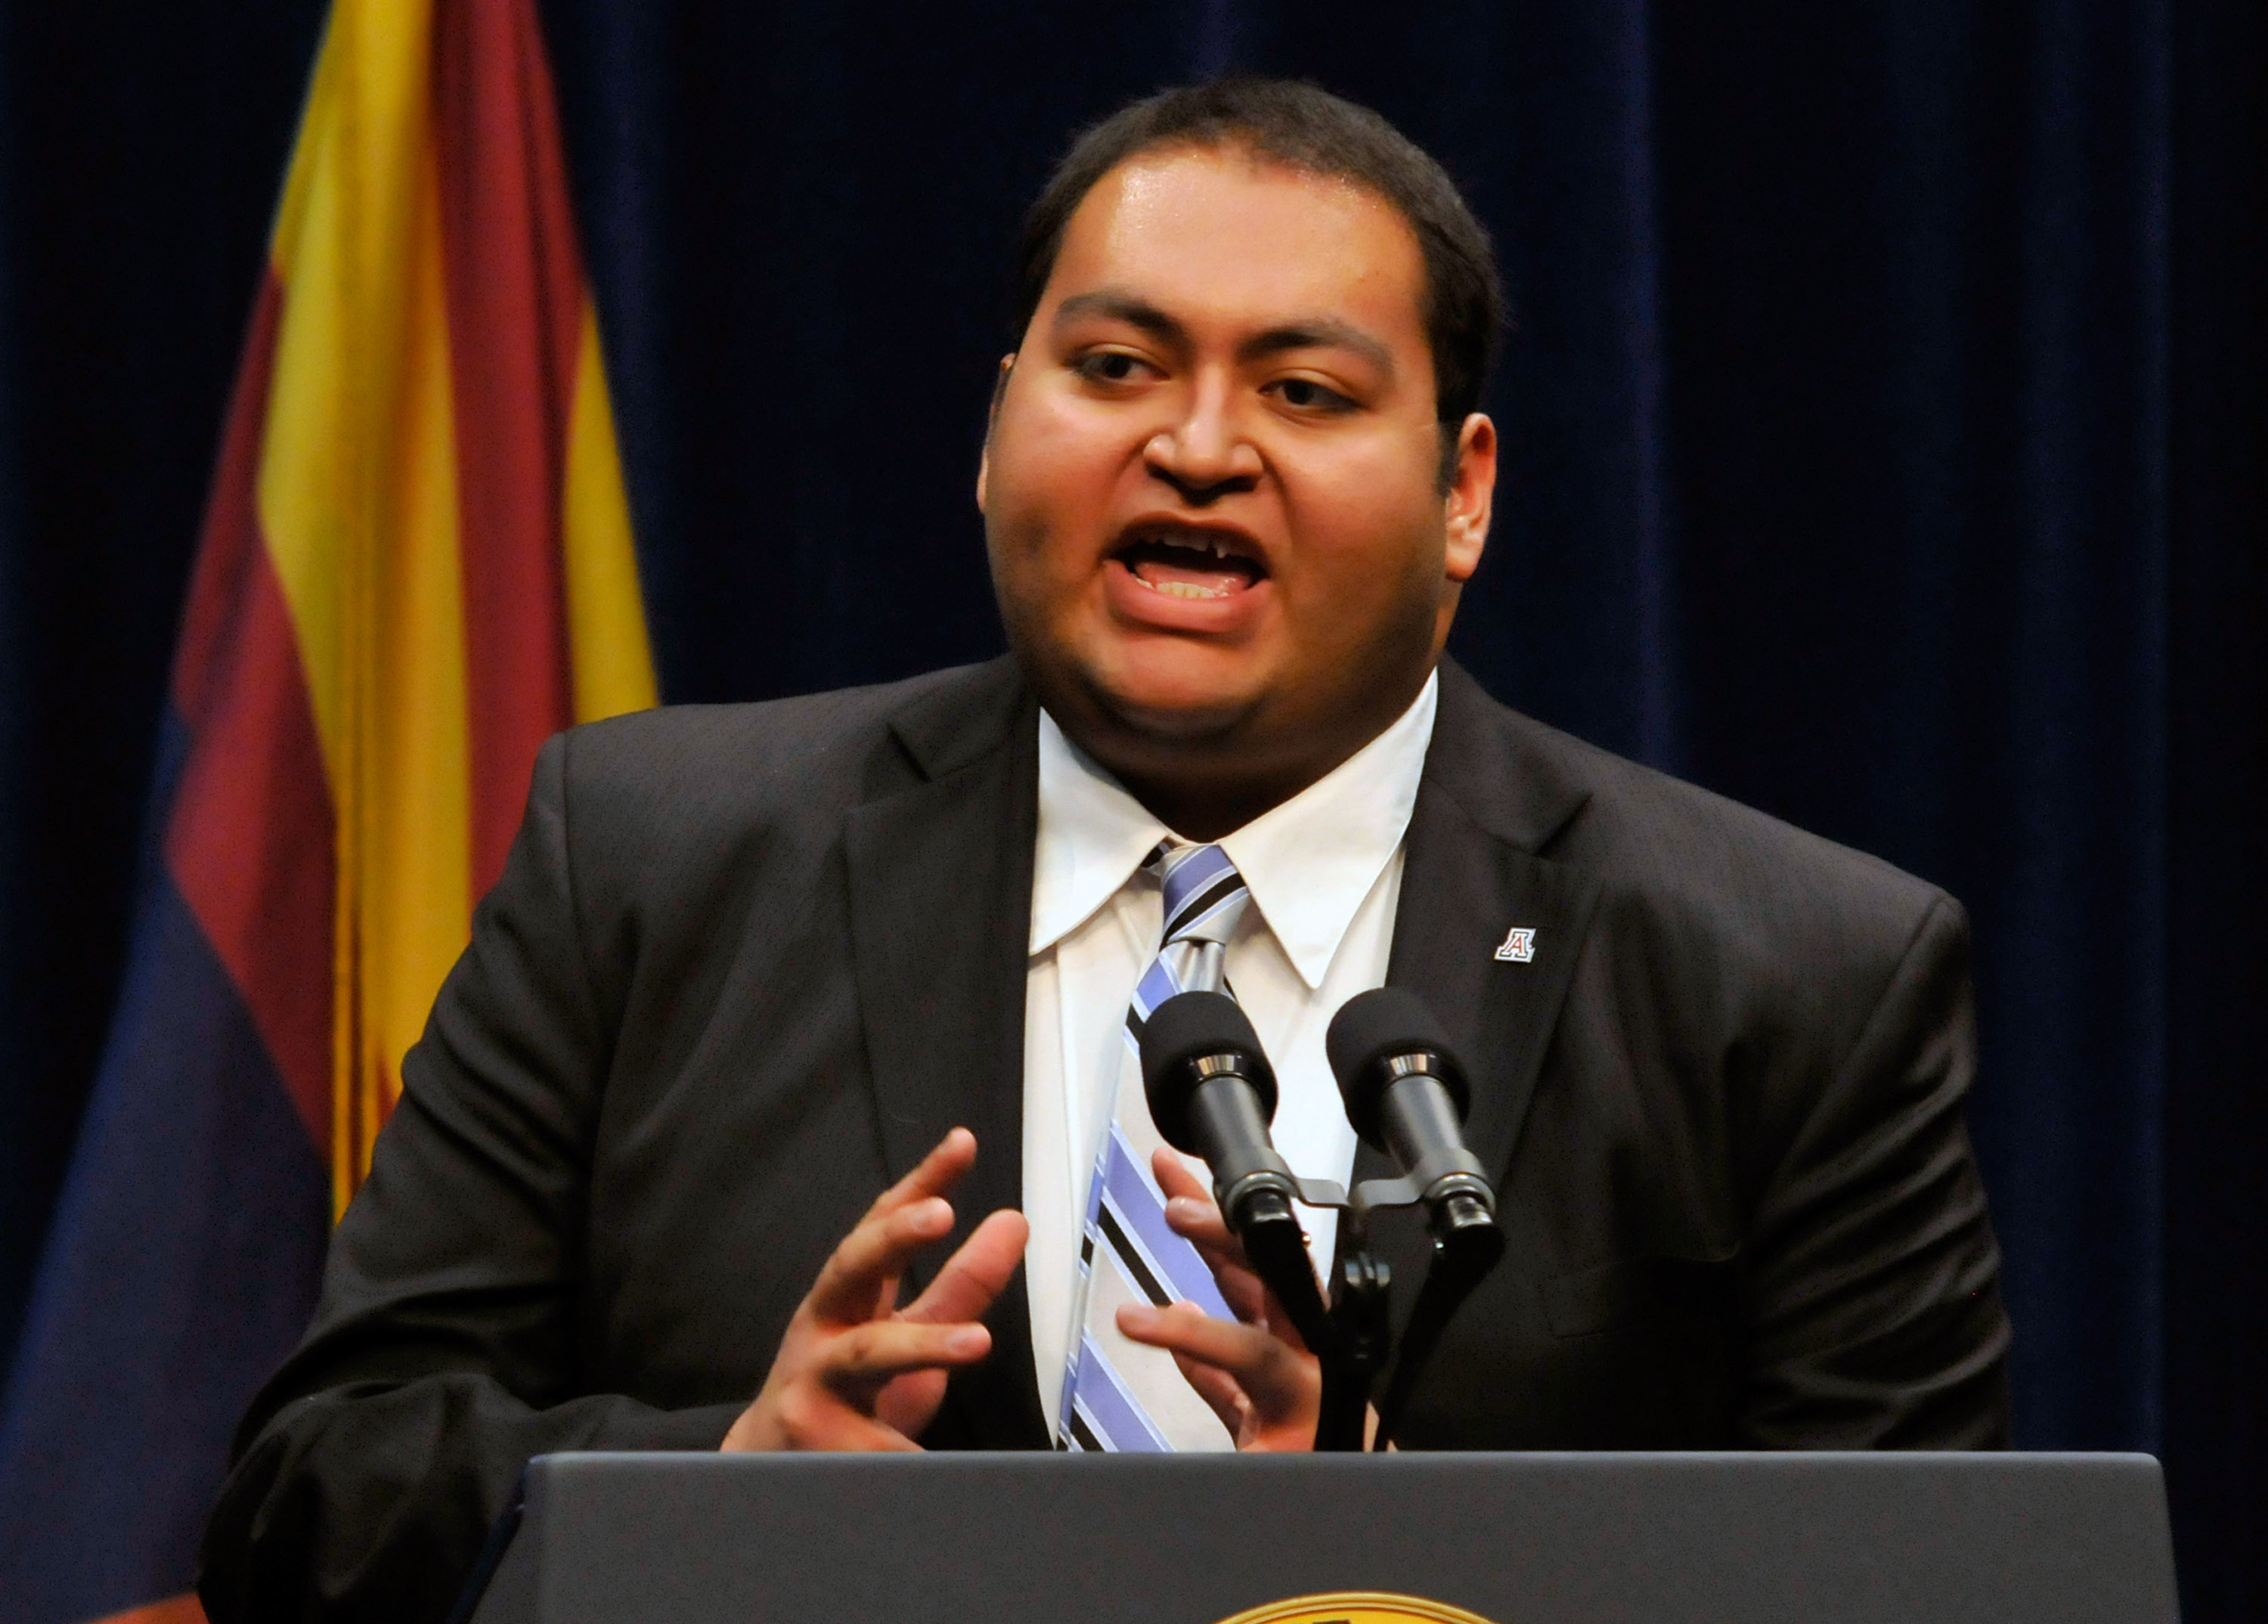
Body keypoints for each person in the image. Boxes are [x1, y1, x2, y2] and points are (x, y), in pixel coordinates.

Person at [199, 78, 2011, 1623]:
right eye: (1119, 363)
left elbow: (1925, 1596)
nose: (1198, 444)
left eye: (1304, 392)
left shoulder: (1793, 974)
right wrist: (727, 1488)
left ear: (1465, 494)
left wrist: (1400, 1539)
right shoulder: (650, 862)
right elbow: (312, 1502)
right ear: (999, 429)